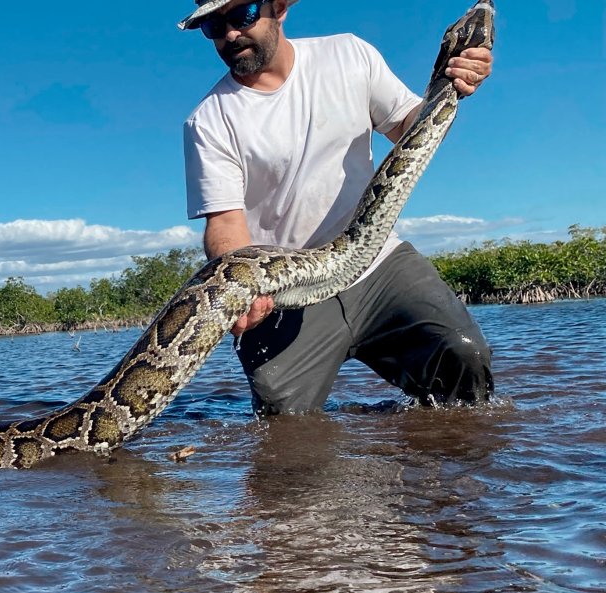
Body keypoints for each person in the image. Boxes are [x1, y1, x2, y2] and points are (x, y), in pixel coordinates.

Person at [179, 0, 495, 414]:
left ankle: (443, 452)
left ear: (279, 8)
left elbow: (408, 128)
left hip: (378, 263)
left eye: (243, 15)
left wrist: (452, 86)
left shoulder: (348, 54)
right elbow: (224, 223)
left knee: (463, 357)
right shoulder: (207, 121)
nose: (230, 34)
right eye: (213, 27)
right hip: (285, 291)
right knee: (282, 420)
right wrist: (244, 290)